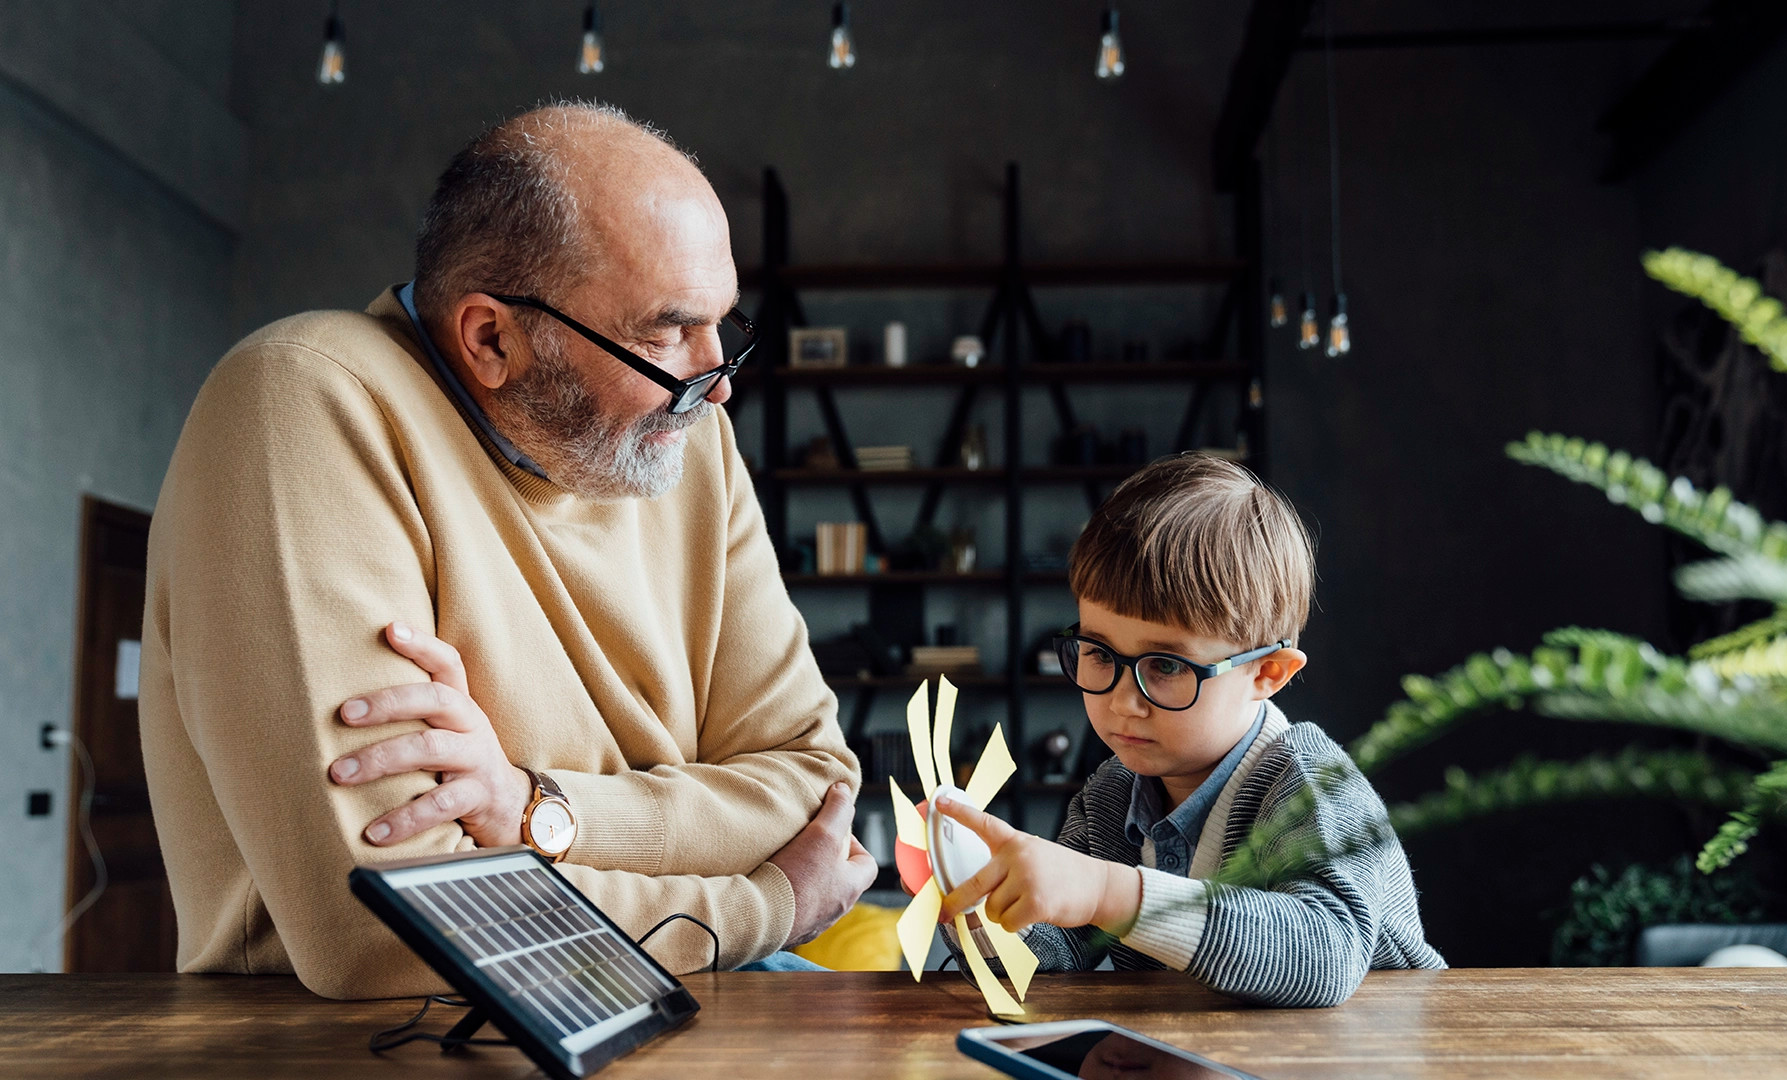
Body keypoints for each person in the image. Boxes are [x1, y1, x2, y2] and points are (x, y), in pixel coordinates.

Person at [139, 101, 874, 999]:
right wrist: (766, 905)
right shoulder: (306, 398)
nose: (715, 385)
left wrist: (533, 808)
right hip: (387, 1044)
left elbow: (814, 786)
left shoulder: (686, 446)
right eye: (667, 331)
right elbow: (392, 932)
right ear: (492, 338)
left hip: (690, 1009)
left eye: (723, 323)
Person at [935, 453, 1443, 1007]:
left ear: (1267, 673)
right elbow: (1059, 951)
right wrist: (976, 899)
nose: (1125, 702)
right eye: (1099, 653)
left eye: (1168, 666)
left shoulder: (1309, 786)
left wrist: (1105, 890)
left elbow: (1326, 955)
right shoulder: (1110, 797)